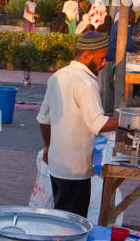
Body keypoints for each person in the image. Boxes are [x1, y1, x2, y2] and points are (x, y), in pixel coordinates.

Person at [37, 30, 120, 218]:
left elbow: (43, 118)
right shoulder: (86, 81)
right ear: (87, 55)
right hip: (75, 168)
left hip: (57, 164)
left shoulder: (58, 75)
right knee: (72, 224)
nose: (104, 62)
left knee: (61, 217)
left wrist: (48, 147)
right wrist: (128, 120)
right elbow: (97, 124)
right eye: (101, 57)